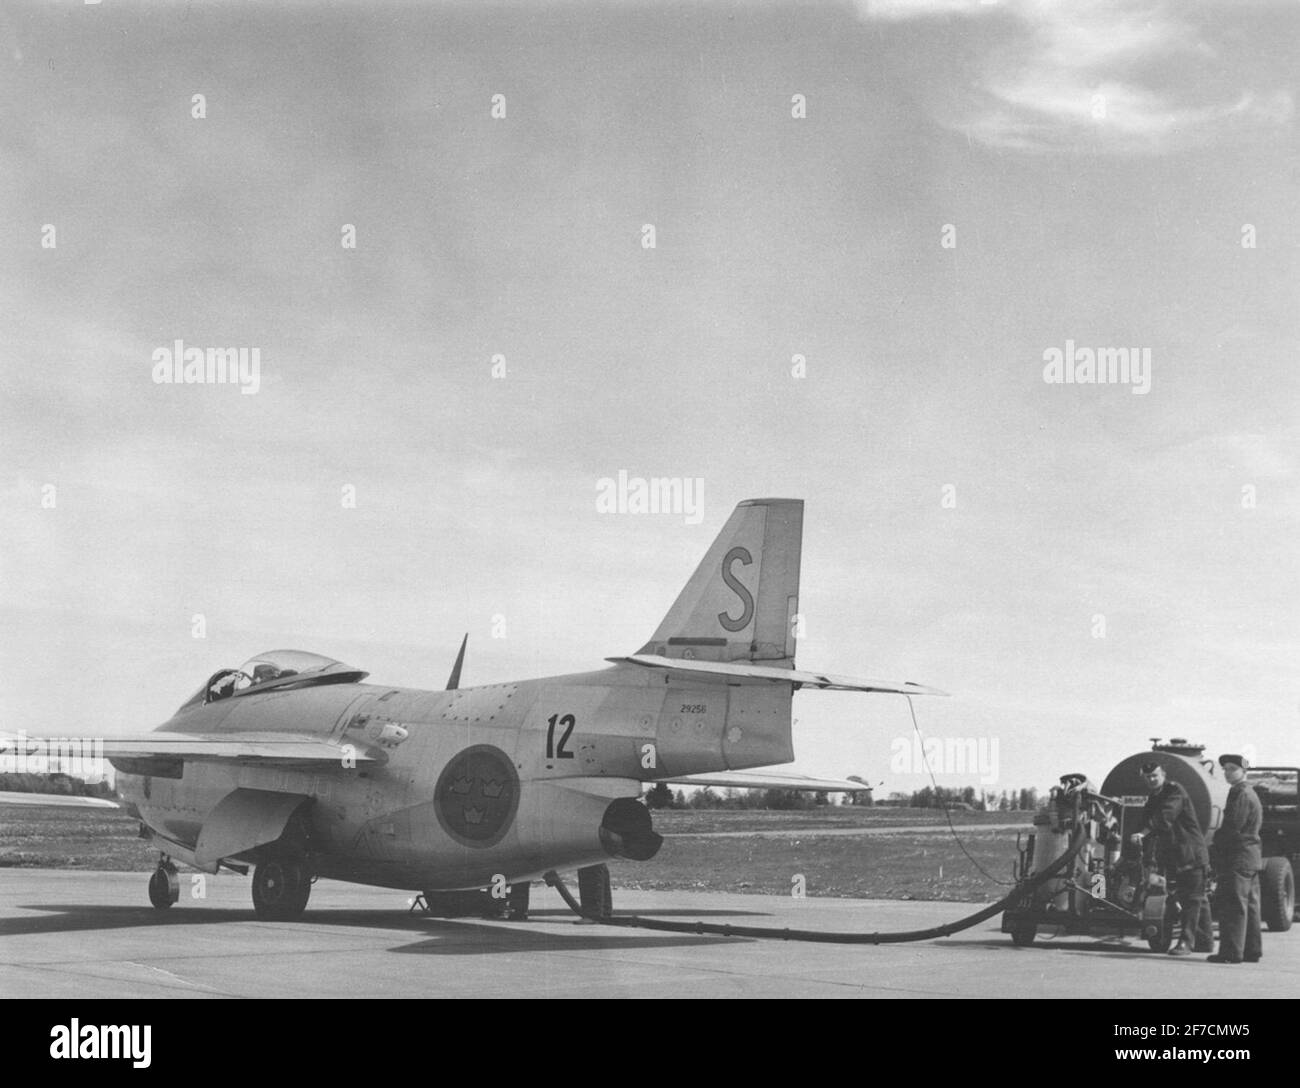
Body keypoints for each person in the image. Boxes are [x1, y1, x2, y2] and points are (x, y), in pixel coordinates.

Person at [1129, 761, 1212, 956]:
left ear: (1163, 775)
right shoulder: (1154, 797)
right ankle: (1205, 942)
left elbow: (1164, 817)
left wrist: (1143, 833)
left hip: (1190, 853)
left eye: (1155, 776)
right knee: (1196, 898)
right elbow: (1145, 821)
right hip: (1175, 855)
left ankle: (1186, 942)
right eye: (1148, 777)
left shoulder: (1175, 791)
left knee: (1191, 900)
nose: (1151, 779)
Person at [1209, 754, 1263, 964]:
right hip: (1250, 857)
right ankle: (1251, 950)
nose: (1227, 772)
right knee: (1249, 906)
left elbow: (1233, 827)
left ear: (1243, 771)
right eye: (1225, 769)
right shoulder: (1250, 792)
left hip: (1237, 857)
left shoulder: (1239, 793)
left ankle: (1231, 952)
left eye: (1232, 768)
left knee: (1233, 905)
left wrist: (1215, 847)